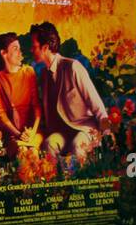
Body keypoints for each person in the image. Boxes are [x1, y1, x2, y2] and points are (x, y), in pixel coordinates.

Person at [29, 21, 108, 160]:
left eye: (34, 46)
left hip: (84, 128)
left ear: (45, 47)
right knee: (49, 144)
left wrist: (107, 136)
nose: (31, 50)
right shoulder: (44, 76)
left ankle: (82, 180)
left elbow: (97, 105)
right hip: (62, 132)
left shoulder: (73, 67)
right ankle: (55, 180)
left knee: (78, 146)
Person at [0, 32, 40, 158]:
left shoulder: (28, 72)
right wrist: (18, 134)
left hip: (33, 131)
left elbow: (37, 107)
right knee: (21, 151)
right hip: (11, 134)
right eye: (15, 49)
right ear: (3, 53)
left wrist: (32, 132)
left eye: (19, 49)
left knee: (33, 151)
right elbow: (0, 114)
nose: (20, 53)